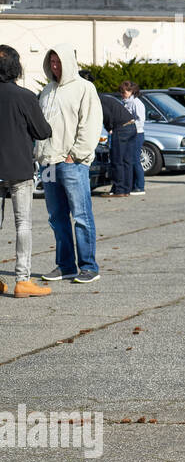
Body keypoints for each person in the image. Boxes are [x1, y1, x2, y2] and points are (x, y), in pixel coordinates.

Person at [35, 44, 103, 284]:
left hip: (72, 163)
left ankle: (88, 266)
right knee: (56, 216)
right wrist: (39, 155)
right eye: (51, 62)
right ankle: (65, 266)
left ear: (69, 62)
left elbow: (91, 124)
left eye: (58, 62)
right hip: (49, 164)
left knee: (81, 215)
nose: (55, 66)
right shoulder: (47, 91)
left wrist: (75, 155)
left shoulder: (85, 88)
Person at [0, 45, 53, 297]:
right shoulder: (24, 96)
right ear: (16, 68)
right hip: (18, 166)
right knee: (23, 224)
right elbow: (42, 131)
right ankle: (23, 280)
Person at [99, 87, 136, 198]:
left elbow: (106, 114)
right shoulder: (106, 98)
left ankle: (119, 190)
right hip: (131, 126)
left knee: (117, 160)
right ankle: (126, 189)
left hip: (121, 129)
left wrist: (109, 127)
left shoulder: (97, 100)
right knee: (127, 161)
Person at [119, 81, 147, 195]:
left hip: (136, 134)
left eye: (124, 91)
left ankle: (140, 186)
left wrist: (130, 125)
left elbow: (141, 120)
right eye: (121, 92)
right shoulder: (125, 102)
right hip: (128, 134)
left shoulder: (136, 103)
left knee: (135, 159)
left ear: (131, 91)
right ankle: (131, 185)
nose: (122, 94)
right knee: (128, 160)